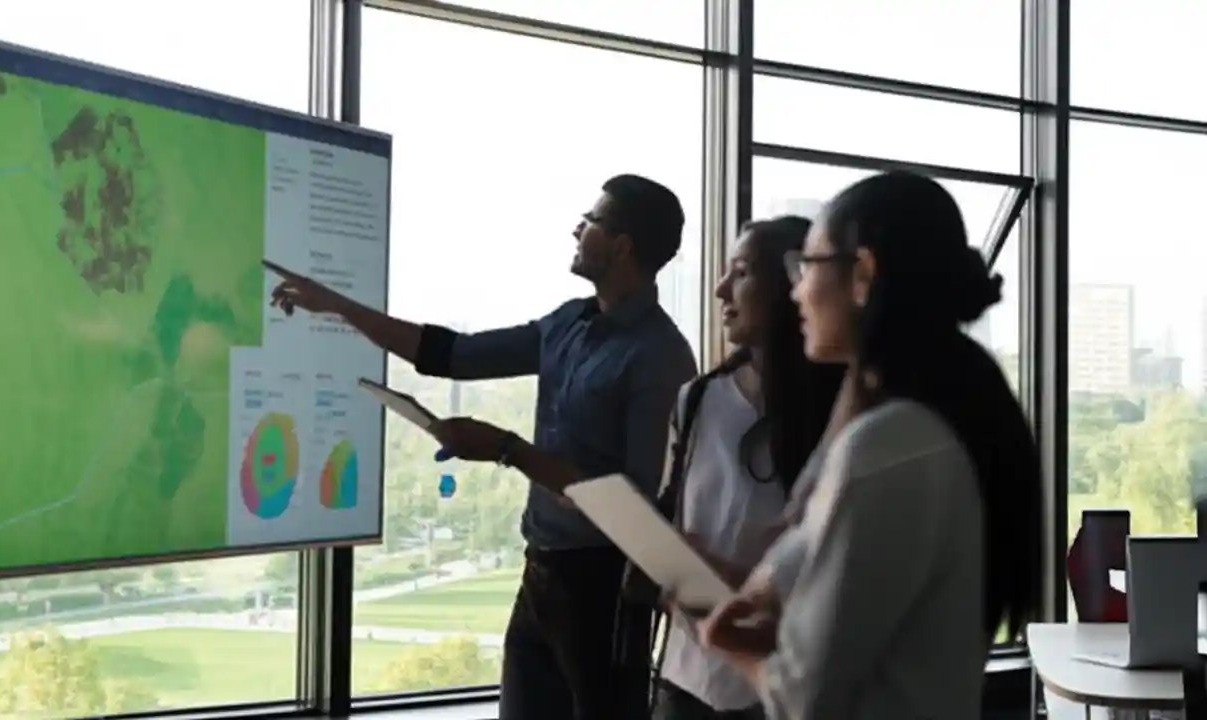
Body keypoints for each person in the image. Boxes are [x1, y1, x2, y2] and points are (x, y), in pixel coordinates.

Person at [270, 174, 698, 720]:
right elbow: (454, 355)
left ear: (621, 245)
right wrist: (337, 306)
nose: (576, 228)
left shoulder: (661, 357)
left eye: (590, 220)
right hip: (541, 577)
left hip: (604, 591)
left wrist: (506, 448)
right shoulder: (569, 322)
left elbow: (630, 508)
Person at [696, 170, 1042, 720]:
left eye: (805, 266)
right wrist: (749, 593)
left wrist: (740, 648)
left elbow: (803, 697)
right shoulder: (921, 422)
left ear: (861, 275)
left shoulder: (886, 448)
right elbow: (806, 553)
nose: (796, 290)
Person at [650, 215, 842, 720]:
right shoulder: (698, 399)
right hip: (684, 678)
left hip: (777, 686)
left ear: (793, 285)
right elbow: (677, 514)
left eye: (741, 272)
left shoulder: (843, 415)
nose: (720, 289)